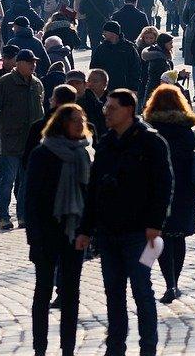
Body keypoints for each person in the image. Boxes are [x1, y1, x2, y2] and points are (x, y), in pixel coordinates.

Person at [76, 89, 172, 356]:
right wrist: (86, 229)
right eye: (106, 107)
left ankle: (147, 348)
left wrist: (155, 223)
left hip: (140, 234)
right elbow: (94, 188)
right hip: (108, 233)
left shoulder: (151, 142)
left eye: (112, 108)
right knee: (113, 293)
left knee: (142, 290)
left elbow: (163, 186)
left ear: (129, 110)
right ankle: (115, 347)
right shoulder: (105, 143)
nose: (106, 112)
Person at [23, 103, 92, 356]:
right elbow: (30, 199)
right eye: (75, 120)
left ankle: (68, 348)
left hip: (74, 233)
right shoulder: (43, 154)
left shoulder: (83, 154)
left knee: (71, 293)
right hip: (46, 233)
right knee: (43, 291)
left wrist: (88, 230)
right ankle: (40, 347)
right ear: (62, 123)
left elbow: (88, 196)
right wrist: (34, 238)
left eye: (82, 119)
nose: (79, 124)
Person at [143, 84, 195, 303]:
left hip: (156, 189)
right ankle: (174, 282)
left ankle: (169, 282)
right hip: (185, 189)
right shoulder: (187, 132)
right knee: (179, 236)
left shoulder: (150, 131)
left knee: (162, 236)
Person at [0, 47, 45, 230]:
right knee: (8, 180)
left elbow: (40, 108)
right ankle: (4, 216)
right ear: (19, 63)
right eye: (29, 62)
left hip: (31, 141)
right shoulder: (5, 83)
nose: (33, 65)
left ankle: (22, 216)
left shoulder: (36, 84)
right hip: (10, 140)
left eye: (34, 62)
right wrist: (4, 126)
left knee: (26, 181)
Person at [91, 20, 142, 96]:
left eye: (105, 31)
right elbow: (94, 66)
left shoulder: (128, 48)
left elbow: (135, 68)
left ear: (113, 33)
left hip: (125, 87)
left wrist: (134, 88)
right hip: (105, 88)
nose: (103, 34)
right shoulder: (101, 48)